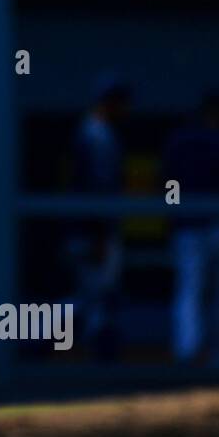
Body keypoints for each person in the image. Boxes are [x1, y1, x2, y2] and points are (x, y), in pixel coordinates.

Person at [162, 91, 219, 365]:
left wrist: (172, 218)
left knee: (192, 291)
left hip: (192, 226)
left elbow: (165, 184)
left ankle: (187, 354)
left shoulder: (181, 140)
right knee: (213, 294)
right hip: (213, 226)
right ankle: (212, 356)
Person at [64, 75, 130, 360]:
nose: (124, 109)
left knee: (92, 296)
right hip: (91, 230)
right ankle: (35, 336)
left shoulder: (93, 132)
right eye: (120, 103)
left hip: (89, 228)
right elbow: (97, 189)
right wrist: (100, 234)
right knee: (95, 296)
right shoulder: (95, 134)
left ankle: (93, 350)